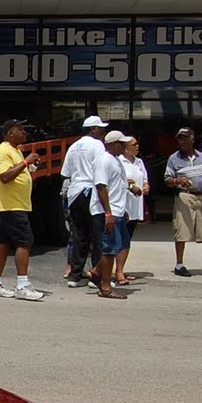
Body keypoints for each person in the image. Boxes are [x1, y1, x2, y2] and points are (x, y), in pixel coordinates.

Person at [0, 118, 45, 301]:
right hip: (10, 205)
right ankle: (22, 285)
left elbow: (16, 172)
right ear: (10, 132)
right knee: (25, 242)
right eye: (20, 130)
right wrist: (26, 163)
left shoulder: (15, 150)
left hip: (12, 204)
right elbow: (5, 176)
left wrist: (29, 167)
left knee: (3, 244)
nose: (25, 133)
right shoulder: (3, 151)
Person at [60, 115, 109, 287]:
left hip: (75, 192)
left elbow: (65, 172)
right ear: (91, 129)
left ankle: (75, 275)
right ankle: (97, 275)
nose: (103, 131)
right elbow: (102, 168)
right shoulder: (97, 145)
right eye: (100, 128)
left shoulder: (73, 146)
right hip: (91, 191)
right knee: (97, 235)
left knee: (79, 234)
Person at [166, 126, 202, 277]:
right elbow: (167, 180)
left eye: (184, 138)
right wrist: (179, 180)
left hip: (201, 195)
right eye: (179, 138)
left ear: (192, 139)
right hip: (185, 195)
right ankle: (179, 264)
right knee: (182, 229)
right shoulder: (174, 158)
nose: (181, 141)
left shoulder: (201, 156)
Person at [89, 130, 131, 299]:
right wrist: (108, 213)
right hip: (106, 211)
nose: (125, 145)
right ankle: (105, 287)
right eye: (122, 143)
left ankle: (96, 272)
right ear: (114, 144)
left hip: (116, 210)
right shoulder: (104, 161)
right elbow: (101, 187)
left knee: (120, 244)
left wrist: (122, 209)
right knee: (109, 249)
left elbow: (117, 187)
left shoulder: (117, 161)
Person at [113, 135, 150, 287]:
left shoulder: (139, 162)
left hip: (136, 205)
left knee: (127, 237)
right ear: (125, 147)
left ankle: (120, 268)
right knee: (120, 239)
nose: (137, 146)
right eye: (133, 144)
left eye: (137, 144)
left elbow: (145, 179)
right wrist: (129, 186)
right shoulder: (119, 162)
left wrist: (146, 185)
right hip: (123, 205)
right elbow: (120, 182)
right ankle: (117, 271)